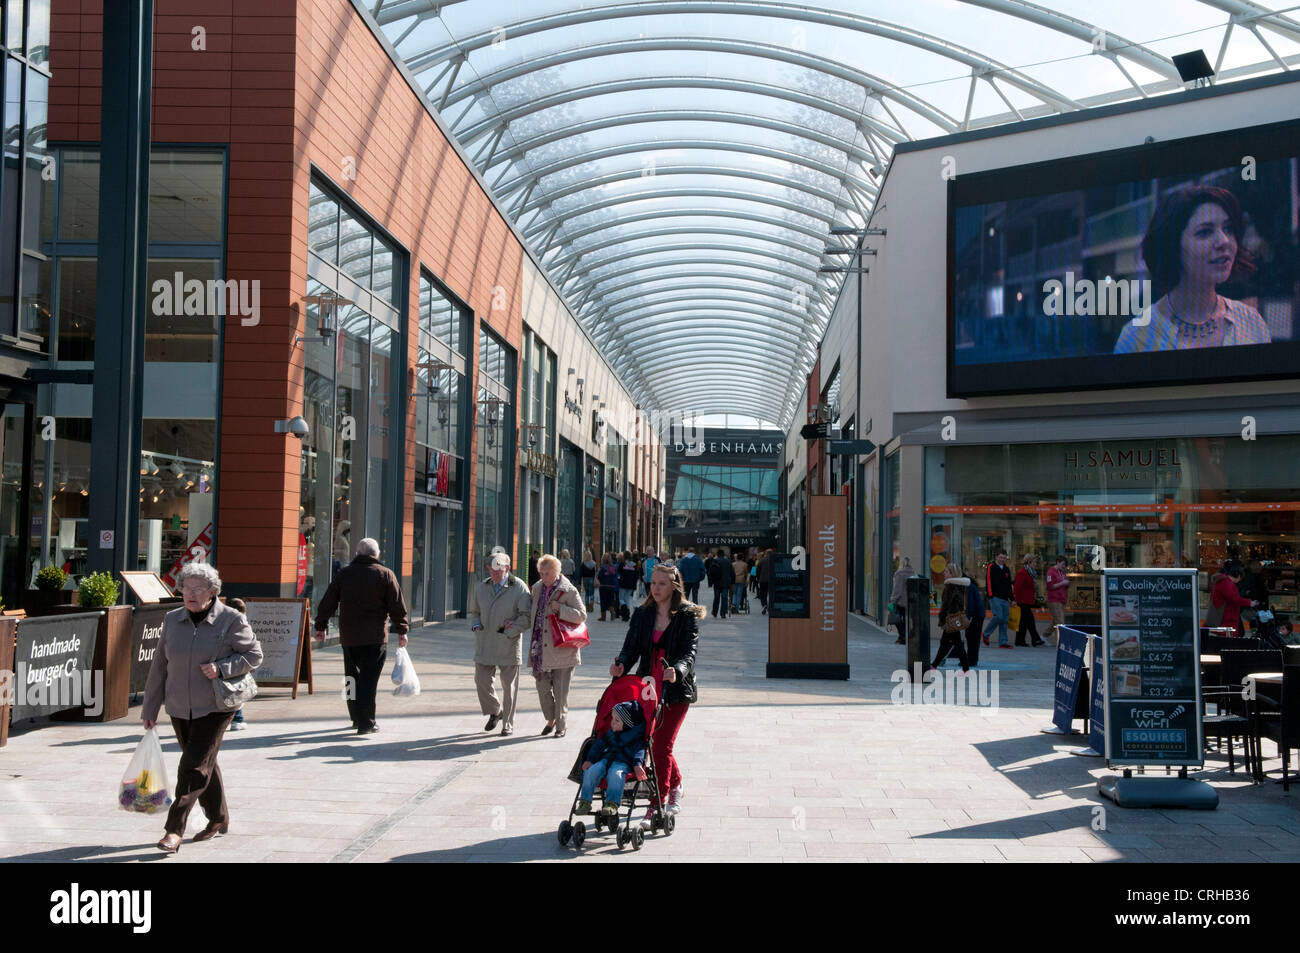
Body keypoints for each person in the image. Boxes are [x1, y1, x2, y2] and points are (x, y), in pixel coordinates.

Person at [142, 563, 263, 853]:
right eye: (186, 588)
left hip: (216, 706)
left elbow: (254, 654)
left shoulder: (231, 619)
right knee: (205, 763)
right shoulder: (172, 619)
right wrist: (150, 707)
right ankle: (219, 818)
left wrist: (222, 668)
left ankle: (174, 830)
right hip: (179, 706)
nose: (191, 594)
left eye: (198, 589)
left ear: (212, 592)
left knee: (193, 767)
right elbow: (160, 665)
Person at [1115, 185, 1267, 353]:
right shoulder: (1137, 338)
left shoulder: (1251, 322)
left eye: (1228, 228)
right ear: (1172, 247)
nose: (1224, 241)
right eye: (1204, 232)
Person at [610, 563, 701, 828]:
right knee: (653, 743)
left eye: (661, 583)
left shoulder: (687, 615)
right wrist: (621, 665)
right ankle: (675, 784)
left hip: (676, 690)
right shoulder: (642, 614)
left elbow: (689, 652)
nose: (656, 588)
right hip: (647, 688)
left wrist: (678, 670)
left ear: (674, 585)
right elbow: (631, 648)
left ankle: (656, 804)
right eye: (653, 583)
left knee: (661, 745)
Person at [314, 537, 410, 734]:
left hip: (349, 636)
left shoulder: (344, 574)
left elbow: (328, 600)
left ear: (357, 553)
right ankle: (366, 722)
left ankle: (355, 717)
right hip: (374, 636)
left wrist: (321, 625)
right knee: (368, 679)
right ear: (376, 555)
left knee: (350, 678)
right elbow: (397, 605)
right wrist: (402, 629)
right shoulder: (385, 574)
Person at [468, 552, 532, 736]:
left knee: (509, 686)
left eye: (498, 570)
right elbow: (474, 611)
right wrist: (476, 624)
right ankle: (496, 710)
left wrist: (510, 630)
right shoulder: (482, 587)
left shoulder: (519, 587)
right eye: (491, 570)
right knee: (481, 680)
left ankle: (507, 723)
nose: (495, 574)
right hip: (485, 642)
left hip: (508, 644)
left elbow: (527, 617)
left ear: (508, 569)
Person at [530, 554, 586, 738]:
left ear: (556, 573)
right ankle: (550, 718)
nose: (543, 577)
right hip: (541, 649)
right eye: (541, 573)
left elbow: (581, 615)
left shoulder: (568, 590)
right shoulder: (537, 588)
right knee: (542, 688)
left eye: (547, 573)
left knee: (561, 691)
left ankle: (561, 725)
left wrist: (560, 608)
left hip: (562, 649)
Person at [576, 700, 647, 817]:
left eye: (617, 720)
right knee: (591, 772)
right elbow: (598, 745)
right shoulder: (611, 734)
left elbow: (639, 752)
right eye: (612, 719)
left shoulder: (636, 739)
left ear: (628, 724)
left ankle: (611, 803)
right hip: (605, 760)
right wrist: (590, 760)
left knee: (616, 774)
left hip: (623, 763)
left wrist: (637, 765)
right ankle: (585, 801)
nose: (612, 723)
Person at [932, 577, 972, 674]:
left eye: (947, 572)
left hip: (950, 619)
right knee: (955, 643)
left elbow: (946, 605)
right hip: (955, 619)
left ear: (952, 574)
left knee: (948, 644)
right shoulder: (960, 587)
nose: (944, 574)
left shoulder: (950, 588)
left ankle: (934, 665)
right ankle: (966, 668)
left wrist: (942, 619)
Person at [1213, 559, 1258, 638]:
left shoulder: (1224, 581)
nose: (1240, 579)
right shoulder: (1226, 583)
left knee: (1232, 636)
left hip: (1227, 614)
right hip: (1227, 615)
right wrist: (1249, 602)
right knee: (1231, 637)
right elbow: (1234, 598)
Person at [983, 551, 1013, 648]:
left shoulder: (1006, 569)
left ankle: (1003, 642)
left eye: (1004, 558)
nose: (1002, 559)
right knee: (998, 616)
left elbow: (1009, 585)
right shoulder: (991, 567)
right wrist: (990, 595)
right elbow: (988, 581)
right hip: (995, 597)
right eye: (1001, 557)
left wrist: (1012, 599)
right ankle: (986, 634)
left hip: (1005, 599)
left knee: (1004, 620)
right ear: (996, 557)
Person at [1014, 554, 1044, 647]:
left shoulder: (1030, 573)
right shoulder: (1023, 573)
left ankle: (1020, 640)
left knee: (1024, 622)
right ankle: (1035, 639)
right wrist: (1016, 601)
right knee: (1029, 621)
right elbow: (1017, 588)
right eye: (1034, 562)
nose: (1036, 564)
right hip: (1022, 602)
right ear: (1029, 562)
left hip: (1026, 601)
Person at [961, 568, 984, 668]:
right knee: (971, 637)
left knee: (972, 638)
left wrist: (967, 617)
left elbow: (970, 604)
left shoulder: (968, 586)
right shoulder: (968, 585)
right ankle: (970, 659)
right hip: (976, 614)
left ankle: (972, 660)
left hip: (976, 615)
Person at [1045, 554, 1070, 644]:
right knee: (1060, 622)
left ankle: (1044, 636)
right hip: (1054, 600)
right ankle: (1061, 642)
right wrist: (1062, 583)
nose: (1064, 567)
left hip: (1062, 600)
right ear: (1058, 562)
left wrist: (1066, 583)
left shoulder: (1062, 572)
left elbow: (1065, 582)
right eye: (1063, 564)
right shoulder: (1051, 571)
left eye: (1065, 565)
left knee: (1056, 621)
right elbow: (1050, 586)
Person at [890, 557, 914, 645]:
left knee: (897, 619)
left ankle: (903, 636)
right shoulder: (912, 572)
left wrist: (893, 599)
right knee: (905, 620)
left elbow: (898, 589)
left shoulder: (900, 573)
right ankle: (902, 637)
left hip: (901, 601)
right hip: (910, 601)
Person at [707, 548, 732, 618]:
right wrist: (732, 582)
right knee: (724, 598)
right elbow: (732, 572)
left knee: (716, 598)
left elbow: (710, 572)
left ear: (717, 555)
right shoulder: (728, 561)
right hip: (725, 583)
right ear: (723, 554)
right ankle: (723, 613)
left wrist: (711, 582)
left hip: (717, 583)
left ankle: (715, 612)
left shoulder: (714, 561)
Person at [597, 552, 619, 621]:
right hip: (611, 587)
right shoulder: (613, 568)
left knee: (603, 601)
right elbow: (615, 577)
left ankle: (603, 617)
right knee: (611, 600)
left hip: (603, 586)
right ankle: (612, 611)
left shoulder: (602, 567)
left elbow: (599, 577)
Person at [617, 551, 639, 616]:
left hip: (623, 584)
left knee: (621, 599)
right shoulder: (634, 565)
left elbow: (618, 572)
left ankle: (624, 609)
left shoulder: (622, 564)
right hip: (631, 585)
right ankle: (627, 612)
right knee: (627, 598)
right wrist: (634, 586)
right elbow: (636, 576)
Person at [757, 549, 772, 614]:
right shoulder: (774, 560)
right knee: (771, 594)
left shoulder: (762, 560)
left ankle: (764, 605)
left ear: (766, 553)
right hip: (772, 580)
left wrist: (758, 579)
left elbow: (757, 570)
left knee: (763, 594)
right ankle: (770, 606)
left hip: (762, 580)